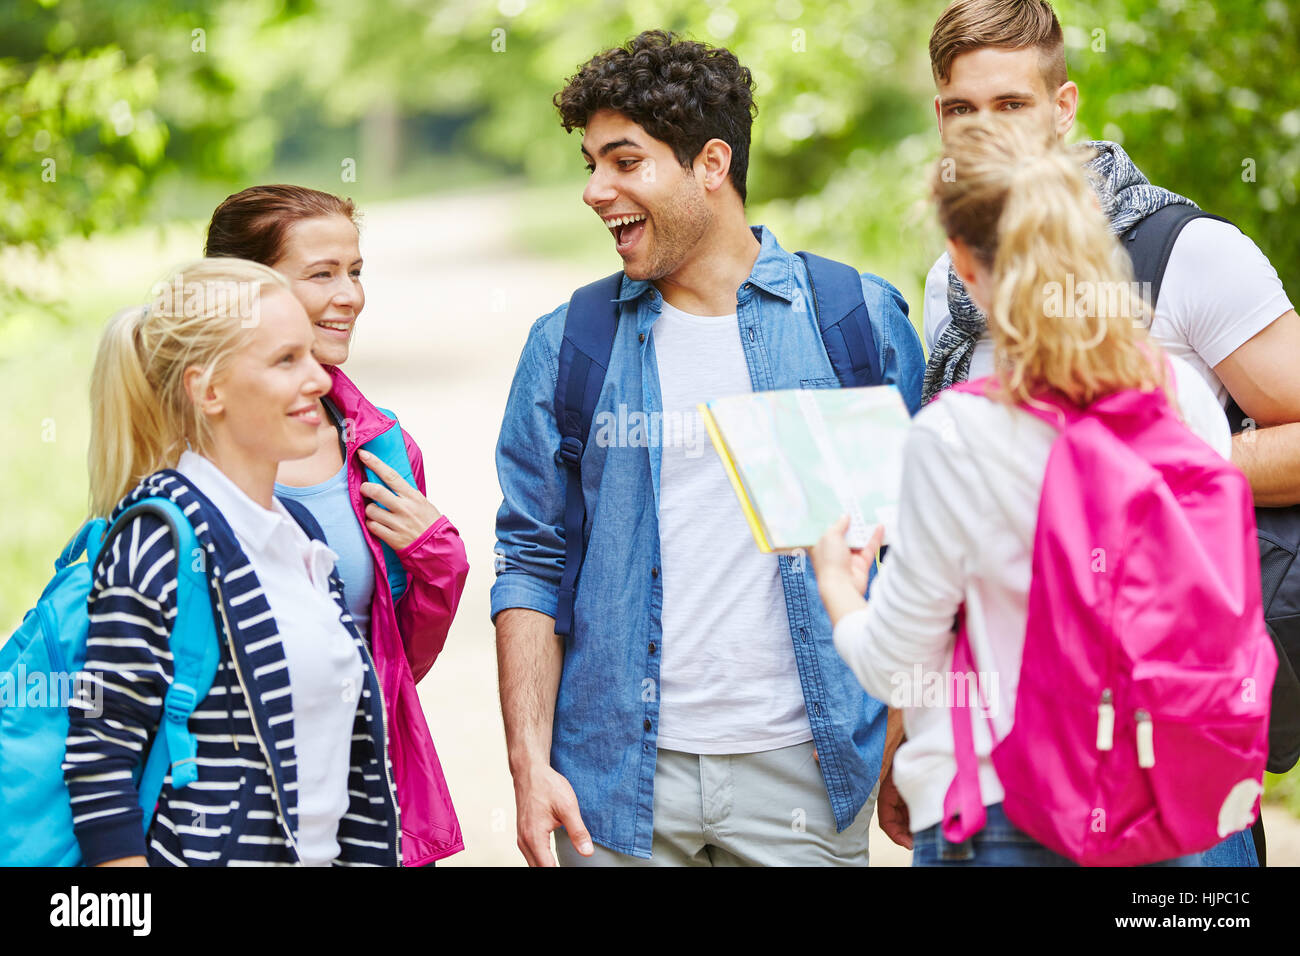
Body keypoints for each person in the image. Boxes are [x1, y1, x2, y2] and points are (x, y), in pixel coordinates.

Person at [491, 29, 925, 867]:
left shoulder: (854, 321)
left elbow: (913, 550)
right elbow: (530, 560)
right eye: (590, 164)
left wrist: (902, 737)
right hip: (612, 791)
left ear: (712, 165)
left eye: (624, 162)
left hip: (806, 777)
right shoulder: (571, 343)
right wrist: (528, 766)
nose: (594, 190)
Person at [911, 0, 1296, 867]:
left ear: (1064, 105)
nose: (986, 133)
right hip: (997, 760)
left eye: (1011, 105)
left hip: (1170, 758)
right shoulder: (952, 275)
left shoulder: (1188, 250)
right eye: (962, 110)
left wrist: (1132, 469)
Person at [812, 116, 1233, 866]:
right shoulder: (1184, 400)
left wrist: (839, 585)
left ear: (961, 267)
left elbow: (892, 665)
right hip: (1154, 797)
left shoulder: (958, 436)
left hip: (1001, 810)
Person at [65, 259, 401, 865]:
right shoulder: (160, 538)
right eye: (284, 361)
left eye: (308, 355)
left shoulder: (299, 534)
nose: (320, 381)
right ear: (208, 389)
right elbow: (99, 765)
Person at [205, 185, 469, 866]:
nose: (350, 295)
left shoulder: (380, 449)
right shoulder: (184, 456)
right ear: (250, 292)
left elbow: (393, 663)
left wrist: (436, 557)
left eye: (355, 271)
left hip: (361, 810)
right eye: (322, 274)